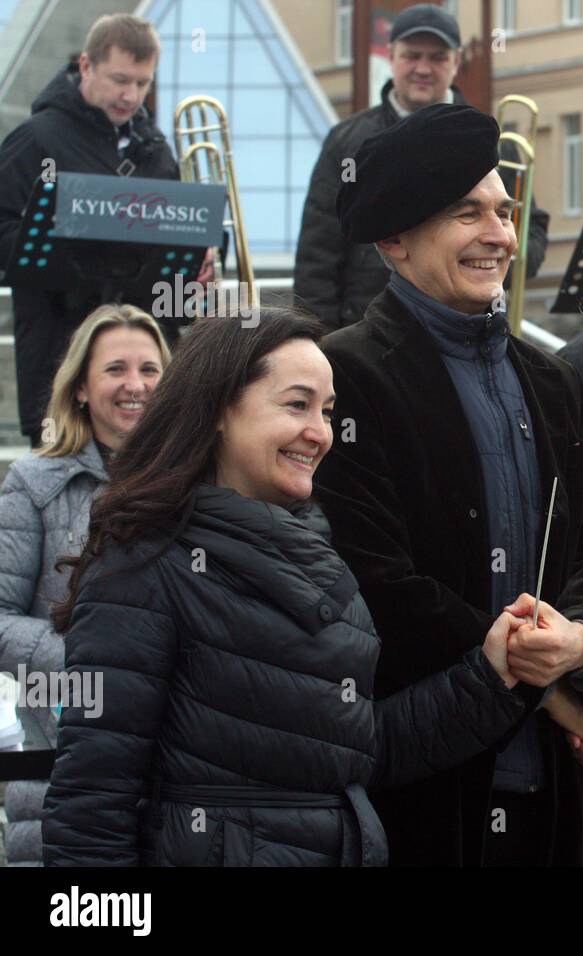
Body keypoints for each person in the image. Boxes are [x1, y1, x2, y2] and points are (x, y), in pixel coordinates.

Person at [40, 309, 530, 866]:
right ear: (218, 408)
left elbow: (357, 753)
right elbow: (91, 802)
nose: (320, 432)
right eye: (296, 405)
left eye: (326, 410)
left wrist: (492, 675)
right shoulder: (143, 566)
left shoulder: (319, 553)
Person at [314, 103, 583, 866]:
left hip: (551, 793)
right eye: (467, 214)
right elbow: (378, 587)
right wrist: (552, 690)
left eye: (503, 210)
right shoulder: (343, 375)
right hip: (420, 788)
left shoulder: (553, 381)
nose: (499, 234)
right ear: (394, 240)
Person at [0, 304, 169, 866]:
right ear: (79, 388)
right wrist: (89, 663)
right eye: (115, 369)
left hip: (176, 775)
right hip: (61, 765)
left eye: (150, 369)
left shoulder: (200, 481)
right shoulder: (32, 484)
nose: (135, 385)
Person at [0, 15, 202, 449]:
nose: (131, 96)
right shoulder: (35, 140)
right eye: (119, 80)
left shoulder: (156, 149)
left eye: (143, 84)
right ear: (86, 66)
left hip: (145, 380)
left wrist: (191, 277)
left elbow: (176, 293)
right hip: (62, 367)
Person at [294, 3, 550, 331]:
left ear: (457, 61)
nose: (423, 68)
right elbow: (318, 255)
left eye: (438, 57)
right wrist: (321, 342)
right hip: (371, 333)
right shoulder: (347, 143)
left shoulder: (492, 140)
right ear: (391, 56)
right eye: (412, 55)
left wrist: (487, 262)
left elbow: (532, 225)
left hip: (474, 328)